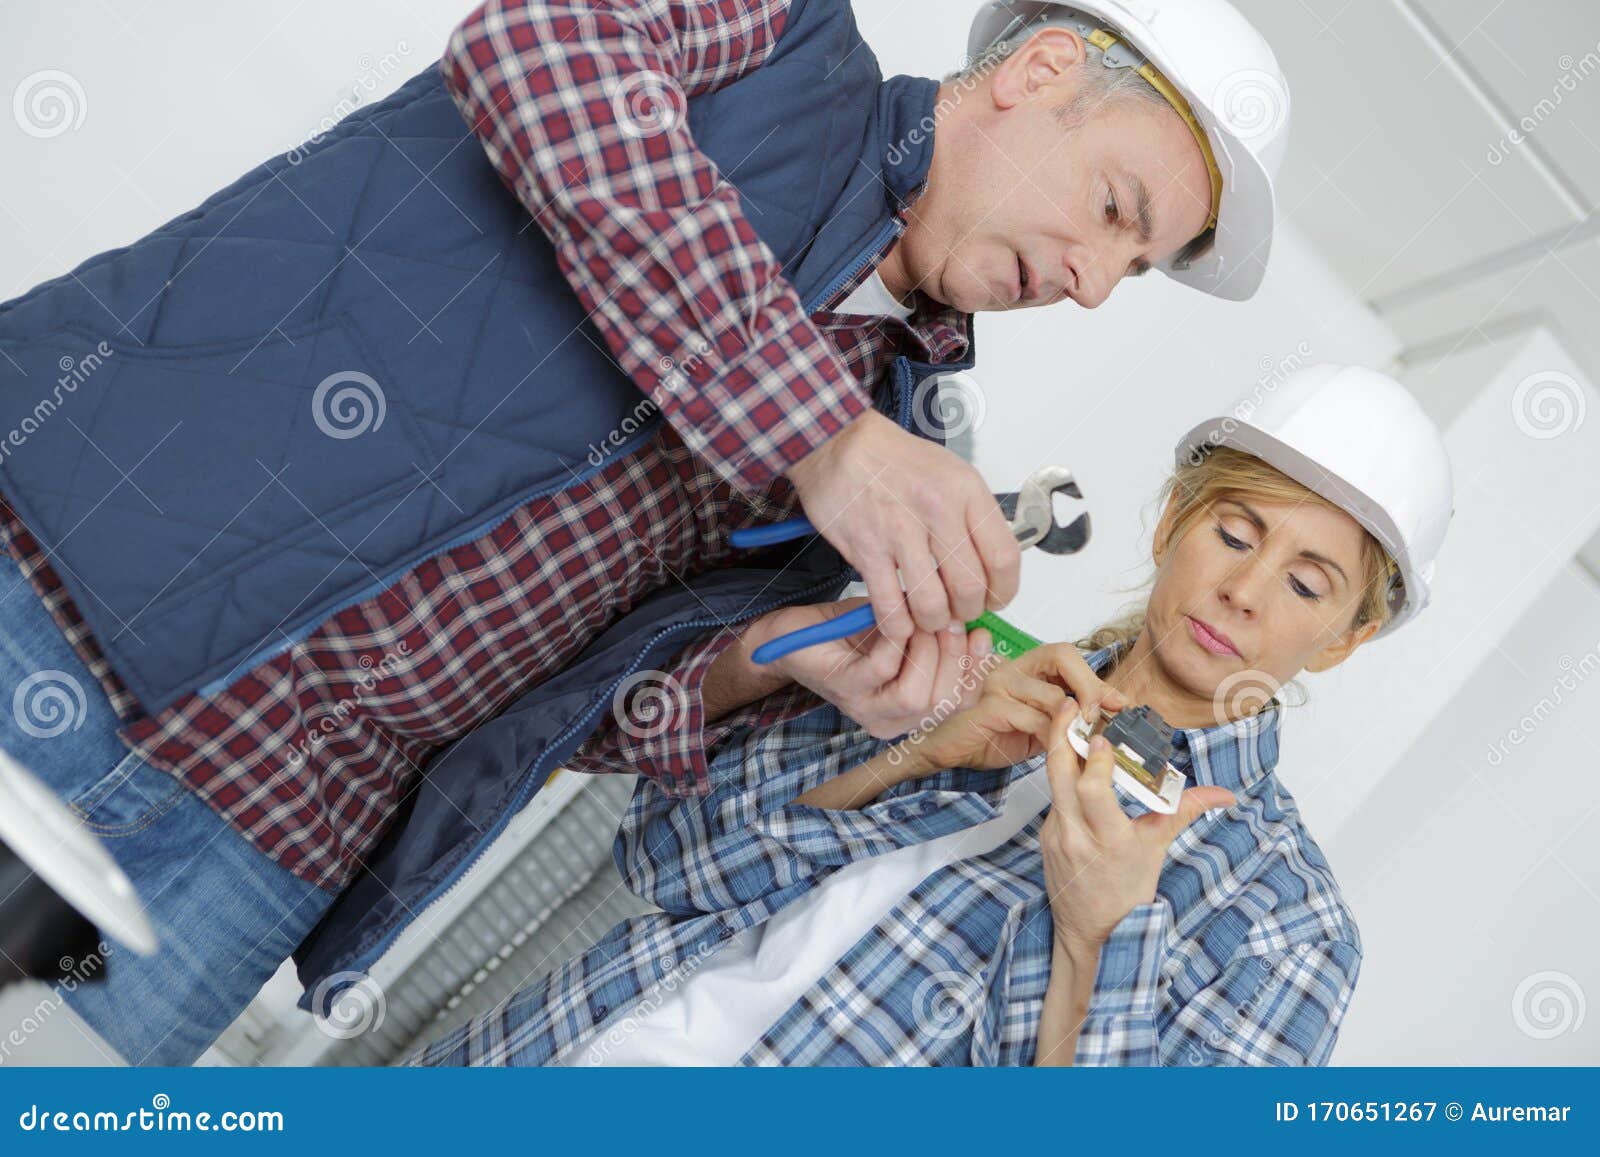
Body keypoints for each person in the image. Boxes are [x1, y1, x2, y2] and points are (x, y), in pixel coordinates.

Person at [0, 0, 1286, 1061]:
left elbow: (577, 706)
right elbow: (541, 48)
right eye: (1117, 211)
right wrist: (815, 435)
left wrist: (763, 665)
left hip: (263, 839)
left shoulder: (905, 444)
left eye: (1135, 267)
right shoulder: (786, 40)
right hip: (61, 581)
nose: (1094, 282)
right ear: (1042, 69)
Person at [406, 365, 1454, 1066]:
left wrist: (1098, 934)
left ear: (1344, 637)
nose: (1246, 589)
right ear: (1174, 524)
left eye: (1308, 584)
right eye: (1234, 532)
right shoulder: (966, 672)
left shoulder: (1289, 927)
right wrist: (906, 757)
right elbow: (665, 860)